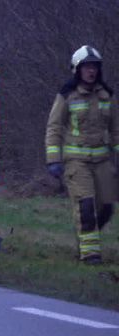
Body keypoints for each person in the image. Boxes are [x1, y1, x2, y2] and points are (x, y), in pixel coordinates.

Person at [45, 46, 119, 264]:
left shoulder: (107, 95)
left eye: (94, 66)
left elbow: (116, 130)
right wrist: (53, 160)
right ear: (77, 69)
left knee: (106, 209)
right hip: (76, 163)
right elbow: (54, 127)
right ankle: (90, 255)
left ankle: (85, 238)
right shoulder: (67, 95)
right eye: (87, 66)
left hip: (102, 161)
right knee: (85, 206)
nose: (91, 71)